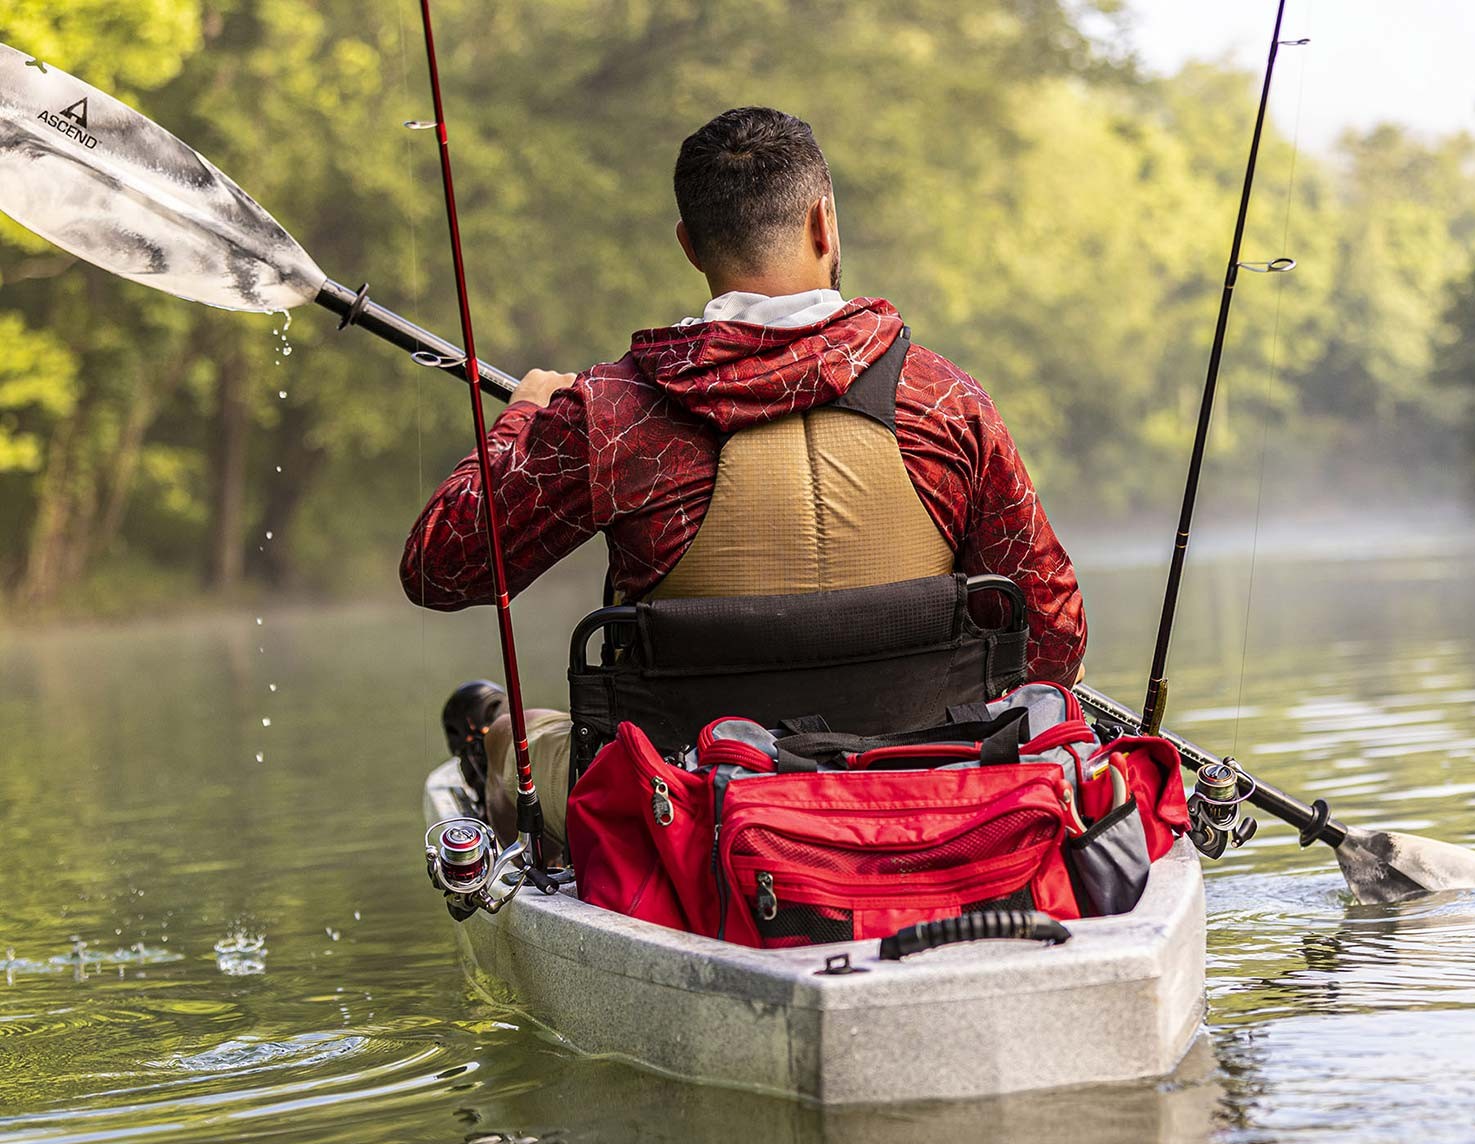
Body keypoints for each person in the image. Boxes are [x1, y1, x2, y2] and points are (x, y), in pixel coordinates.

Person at [408, 107, 1086, 854]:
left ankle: (491, 731)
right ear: (824, 223)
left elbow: (441, 566)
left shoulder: (611, 416)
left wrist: (524, 419)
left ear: (690, 246)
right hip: (934, 797)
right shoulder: (946, 400)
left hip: (691, 826)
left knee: (516, 731)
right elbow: (1054, 638)